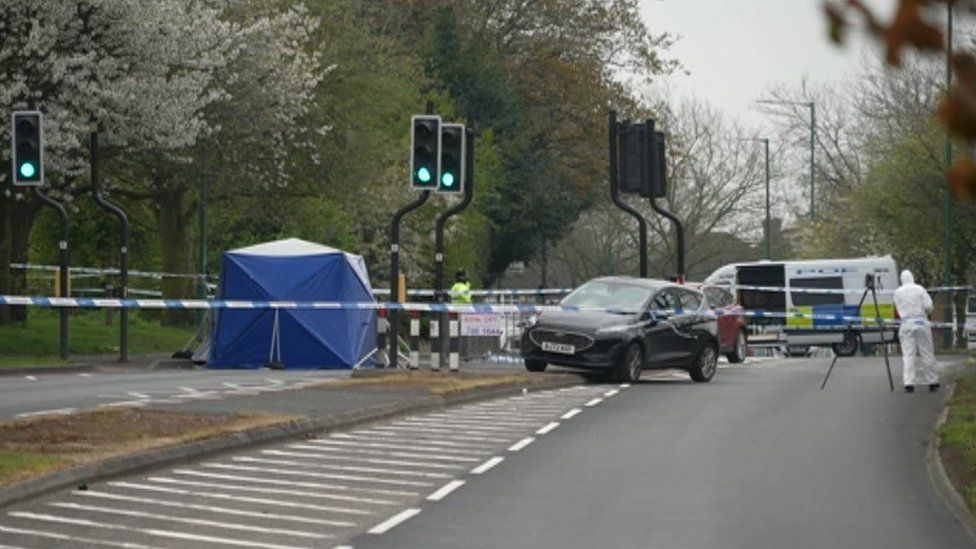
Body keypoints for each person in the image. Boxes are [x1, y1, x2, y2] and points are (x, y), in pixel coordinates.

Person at [893, 269, 938, 393]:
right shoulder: (920, 289)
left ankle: (909, 383)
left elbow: (898, 308)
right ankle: (933, 381)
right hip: (921, 322)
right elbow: (928, 306)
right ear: (912, 277)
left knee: (908, 354)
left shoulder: (897, 293)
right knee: (926, 352)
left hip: (906, 323)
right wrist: (926, 312)